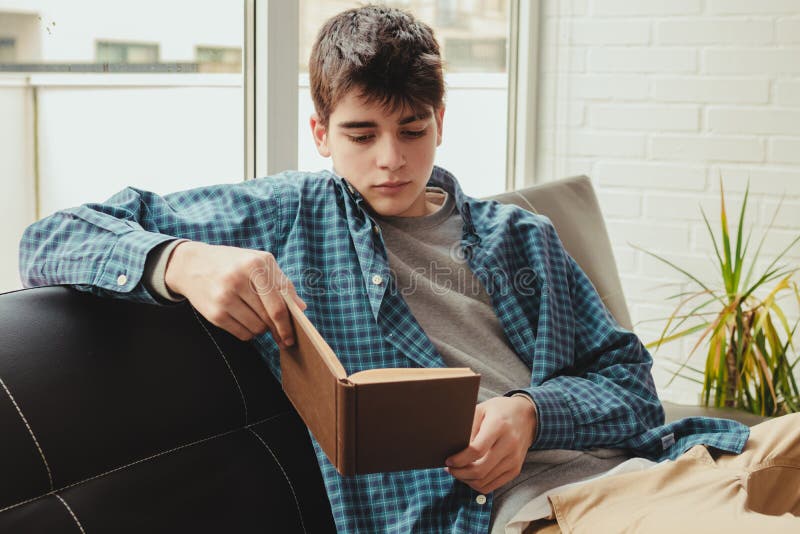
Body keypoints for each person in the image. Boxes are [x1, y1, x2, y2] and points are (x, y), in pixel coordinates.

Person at [18, 5, 797, 533]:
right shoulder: (291, 215)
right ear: (320, 134)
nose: (389, 159)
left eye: (412, 129)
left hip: (670, 461)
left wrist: (530, 412)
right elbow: (52, 237)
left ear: (441, 122)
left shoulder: (519, 237)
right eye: (361, 135)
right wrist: (181, 261)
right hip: (542, 512)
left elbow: (631, 388)